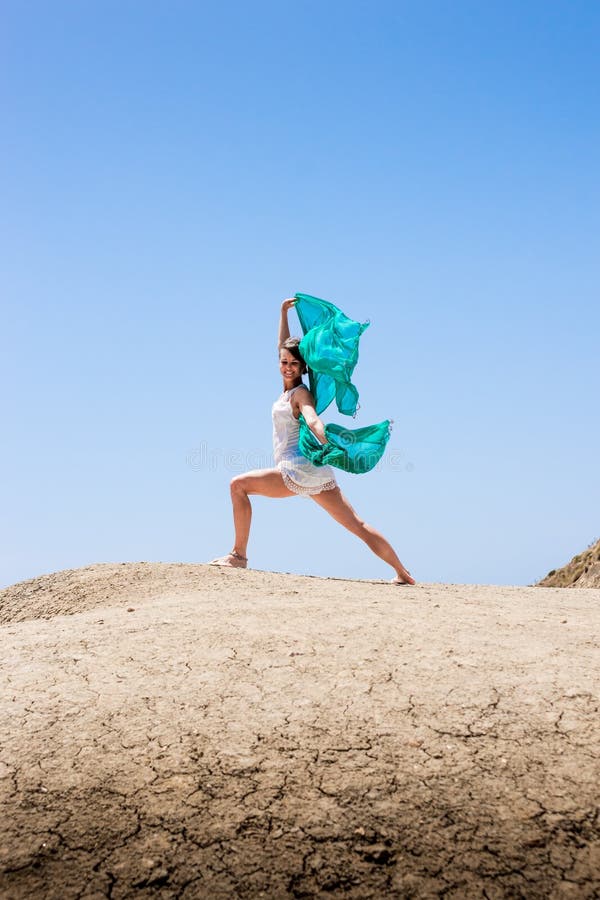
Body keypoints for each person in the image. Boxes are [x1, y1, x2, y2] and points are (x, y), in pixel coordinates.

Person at [210, 298, 415, 585]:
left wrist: (325, 439)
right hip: (316, 473)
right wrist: (283, 313)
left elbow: (313, 419)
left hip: (295, 469)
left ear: (304, 367)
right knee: (357, 524)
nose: (288, 367)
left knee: (238, 486)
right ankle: (403, 573)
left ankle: (238, 556)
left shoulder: (300, 394)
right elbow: (282, 346)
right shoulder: (288, 389)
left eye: (294, 364)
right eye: (284, 362)